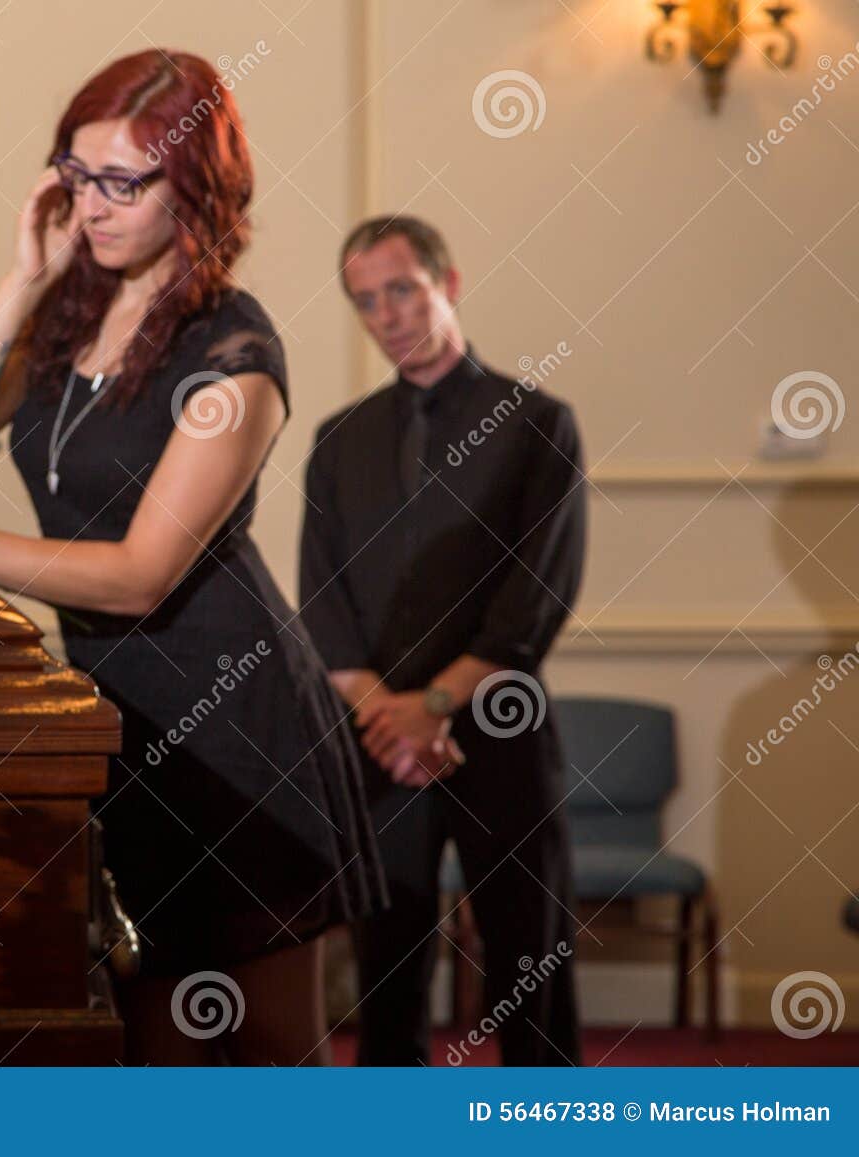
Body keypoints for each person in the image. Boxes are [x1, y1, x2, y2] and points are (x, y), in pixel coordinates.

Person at [0, 49, 386, 1065]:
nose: (91, 206)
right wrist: (20, 279)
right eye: (74, 176)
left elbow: (139, 574)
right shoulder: (69, 316)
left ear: (199, 189)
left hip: (235, 724)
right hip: (113, 720)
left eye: (123, 183)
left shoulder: (234, 354)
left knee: (265, 1058)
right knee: (151, 1045)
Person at [299, 214, 587, 1065]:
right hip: (377, 740)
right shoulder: (337, 439)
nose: (386, 315)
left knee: (526, 957)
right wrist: (387, 717)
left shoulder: (540, 422)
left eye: (402, 290)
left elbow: (535, 597)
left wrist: (430, 706)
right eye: (365, 302)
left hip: (498, 721)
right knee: (386, 974)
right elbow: (326, 606)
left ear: (448, 283)